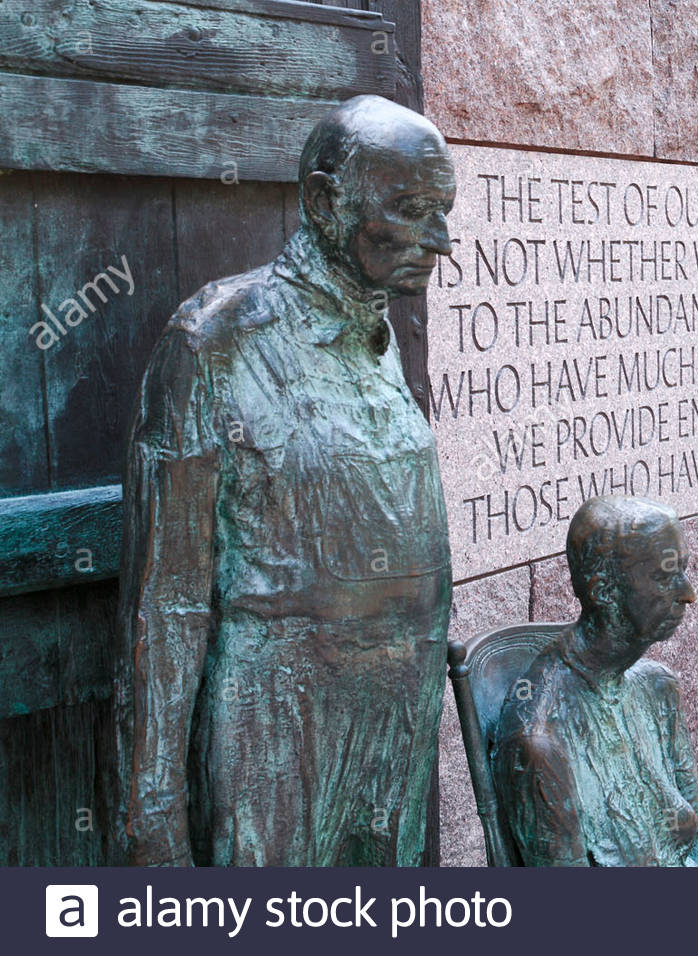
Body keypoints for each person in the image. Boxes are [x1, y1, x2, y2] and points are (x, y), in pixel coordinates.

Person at [117, 96, 456, 866]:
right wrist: (153, 815)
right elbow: (163, 602)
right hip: (278, 726)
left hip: (394, 724)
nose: (440, 240)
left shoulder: (381, 337)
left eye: (444, 212)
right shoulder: (214, 341)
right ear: (323, 201)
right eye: (410, 210)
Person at [493, 496, 698, 866]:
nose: (688, 594)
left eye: (684, 570)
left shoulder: (658, 689)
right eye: (664, 576)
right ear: (604, 590)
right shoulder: (540, 743)